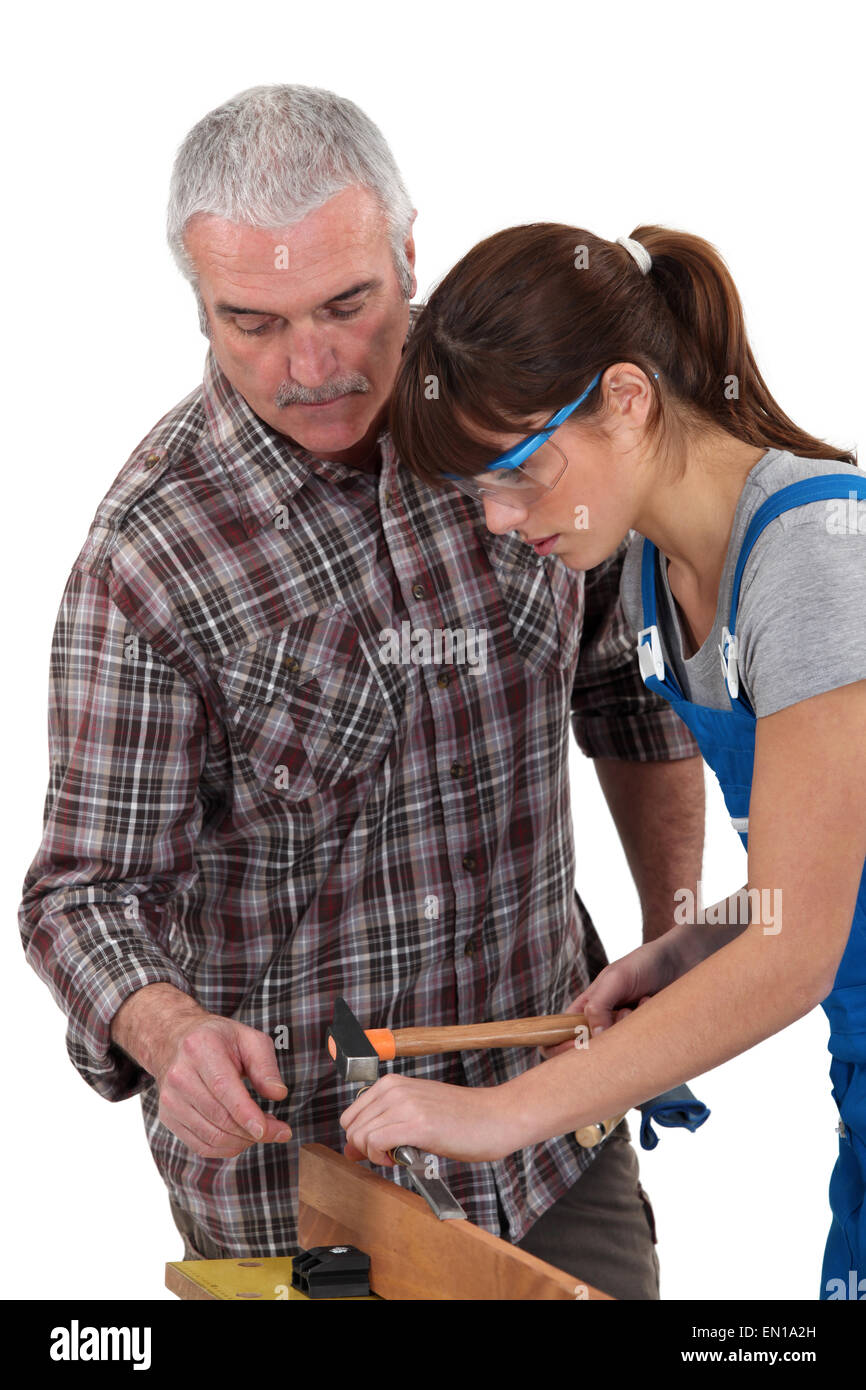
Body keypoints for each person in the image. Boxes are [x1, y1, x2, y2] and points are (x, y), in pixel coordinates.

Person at [18, 90, 705, 1302]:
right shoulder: (149, 560)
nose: (315, 364)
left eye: (348, 304)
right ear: (196, 302)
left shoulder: (528, 413)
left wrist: (675, 934)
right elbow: (83, 894)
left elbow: (626, 687)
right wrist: (171, 1036)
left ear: (408, 250)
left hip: (552, 1129)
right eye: (253, 323)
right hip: (308, 1192)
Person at [341, 222, 866, 1299]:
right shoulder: (647, 577)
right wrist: (679, 952)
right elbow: (819, 875)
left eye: (517, 470)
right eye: (473, 489)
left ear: (625, 398)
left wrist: (507, 1112)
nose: (494, 518)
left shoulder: (814, 561)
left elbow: (796, 950)